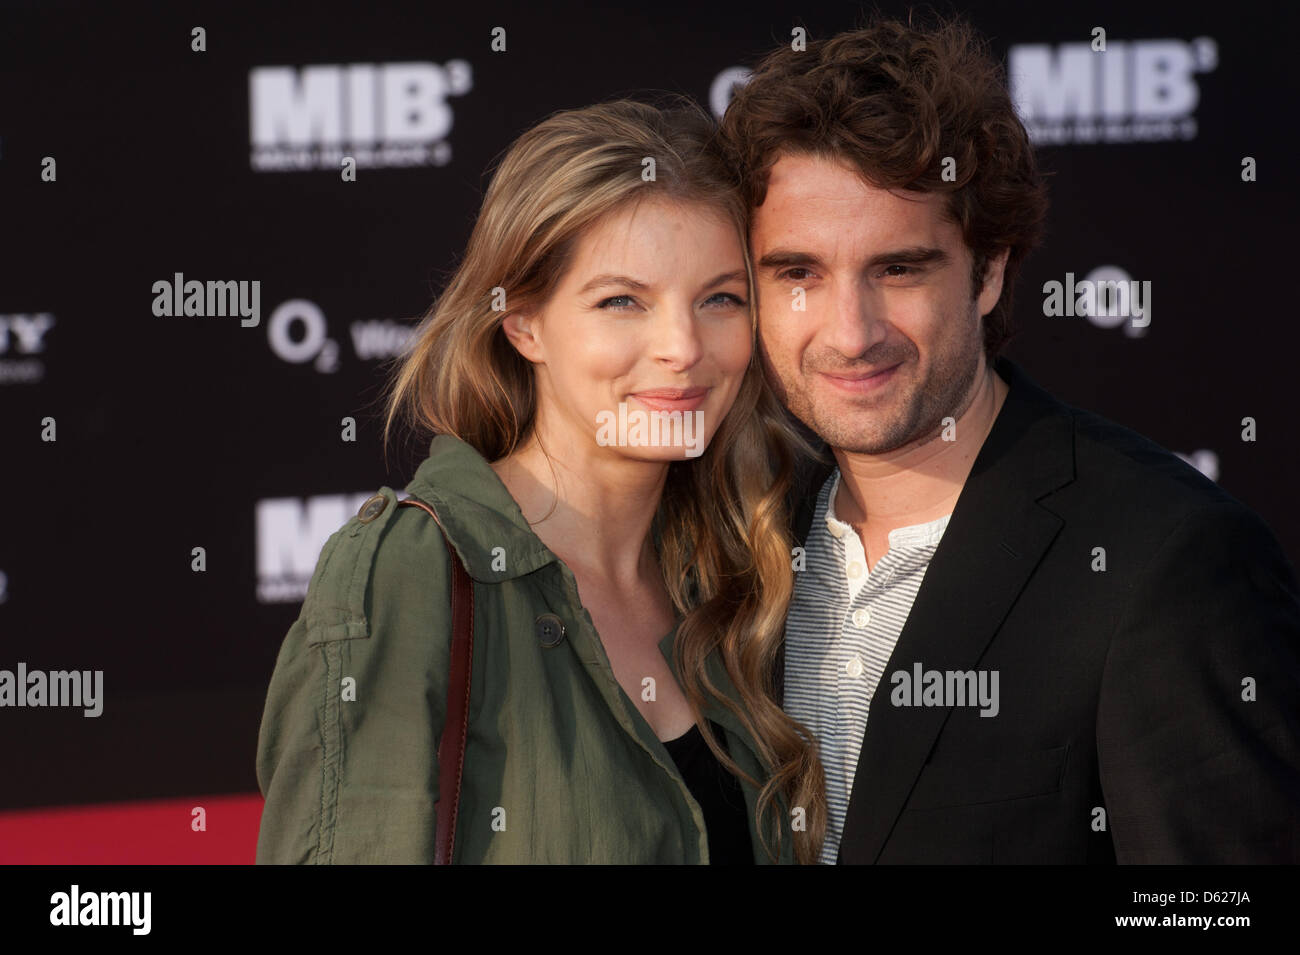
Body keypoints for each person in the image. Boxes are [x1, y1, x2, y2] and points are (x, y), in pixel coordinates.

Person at [719, 14, 1300, 863]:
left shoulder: (1164, 559)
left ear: (990, 271)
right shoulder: (736, 547)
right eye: (798, 274)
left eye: (899, 269)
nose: (850, 332)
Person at [254, 97, 827, 864]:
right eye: (622, 300)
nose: (683, 348)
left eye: (720, 299)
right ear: (522, 320)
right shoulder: (414, 569)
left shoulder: (738, 567)